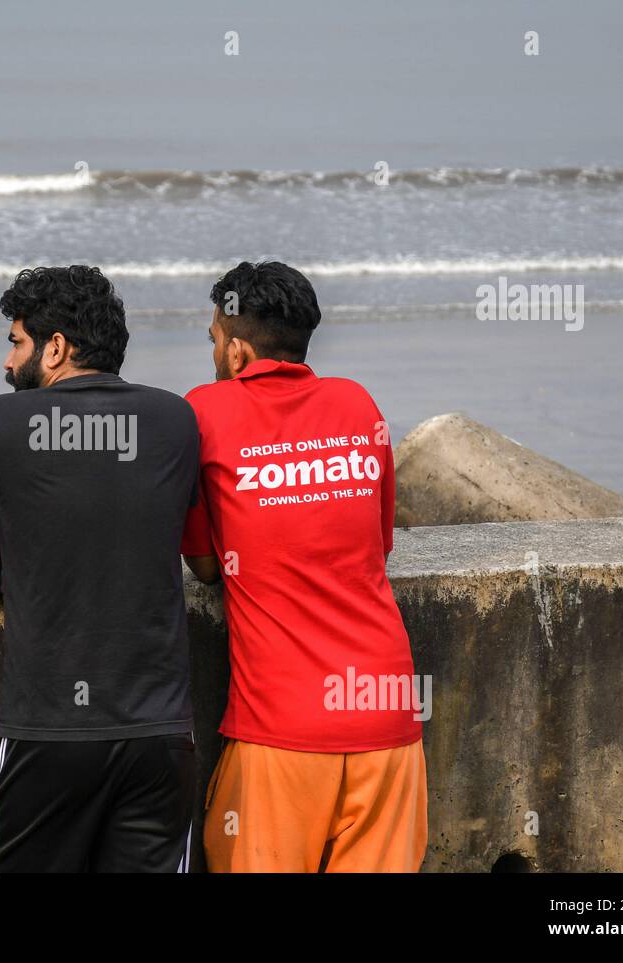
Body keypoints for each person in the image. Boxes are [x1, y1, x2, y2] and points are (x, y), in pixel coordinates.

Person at [0, 265, 201, 872]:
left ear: (56, 347)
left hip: (47, 734)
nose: (7, 364)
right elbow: (134, 525)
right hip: (158, 735)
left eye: (16, 342)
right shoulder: (176, 420)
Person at [181, 260, 428, 872]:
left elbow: (208, 566)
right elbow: (374, 543)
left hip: (281, 728)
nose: (212, 354)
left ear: (237, 351)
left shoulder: (205, 412)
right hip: (388, 719)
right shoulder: (356, 401)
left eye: (213, 339)